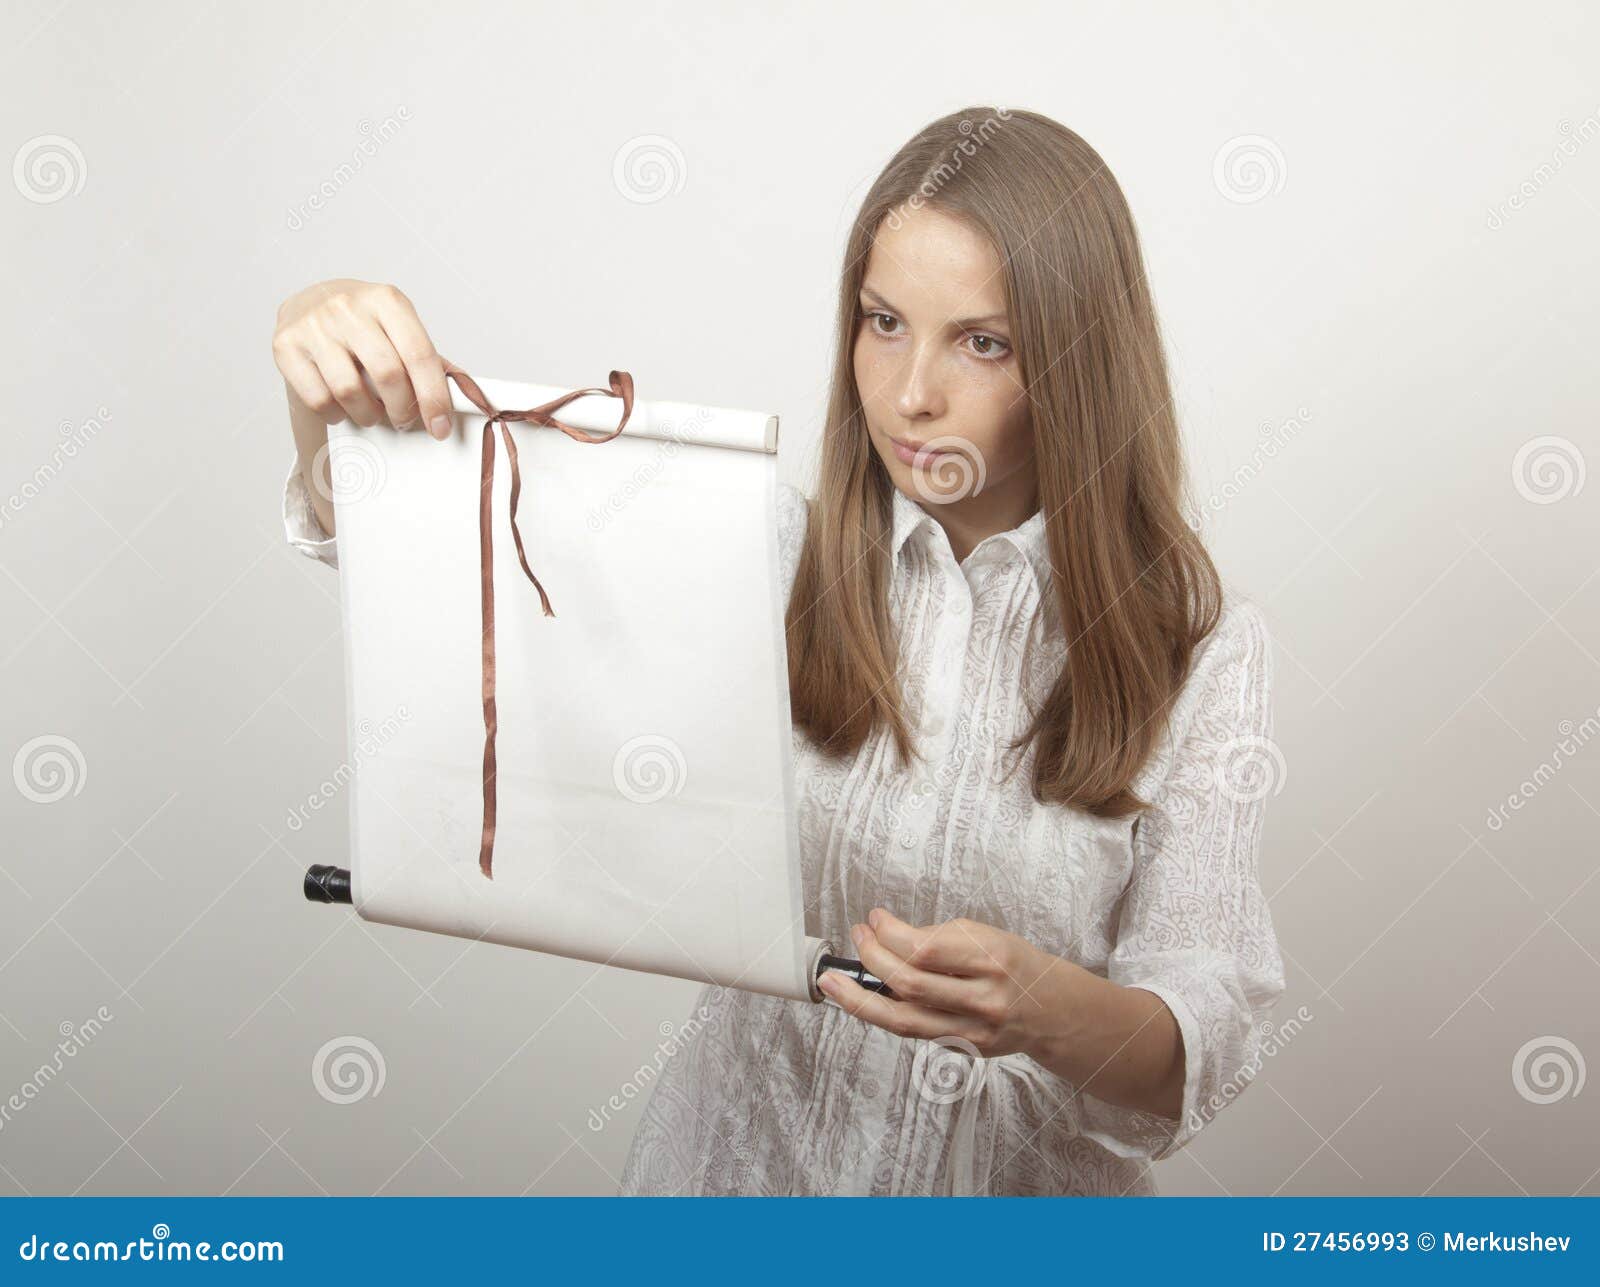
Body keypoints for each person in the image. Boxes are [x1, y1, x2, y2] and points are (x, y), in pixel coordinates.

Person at [272, 106, 1286, 1196]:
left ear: (1079, 364)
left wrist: (1042, 1007)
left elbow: (1199, 1044)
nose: (909, 395)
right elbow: (437, 572)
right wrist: (318, 360)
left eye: (981, 342)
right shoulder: (764, 554)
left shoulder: (1200, 648)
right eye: (883, 322)